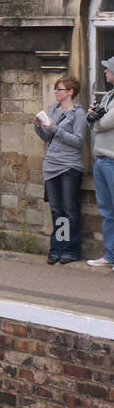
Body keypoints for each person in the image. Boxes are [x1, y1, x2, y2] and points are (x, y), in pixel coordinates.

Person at [33, 74, 87, 265]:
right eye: (55, 89)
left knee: (69, 209)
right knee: (57, 210)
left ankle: (70, 250)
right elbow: (48, 138)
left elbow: (79, 141)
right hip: (51, 166)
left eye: (59, 89)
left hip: (69, 166)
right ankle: (57, 247)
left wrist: (54, 128)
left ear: (70, 92)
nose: (56, 92)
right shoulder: (53, 110)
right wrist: (39, 127)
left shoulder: (78, 114)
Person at [87, 58, 114, 269]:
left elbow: (103, 123)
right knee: (106, 211)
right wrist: (94, 116)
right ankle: (110, 255)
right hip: (101, 159)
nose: (105, 72)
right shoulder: (108, 96)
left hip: (112, 161)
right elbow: (94, 119)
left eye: (108, 69)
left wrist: (95, 119)